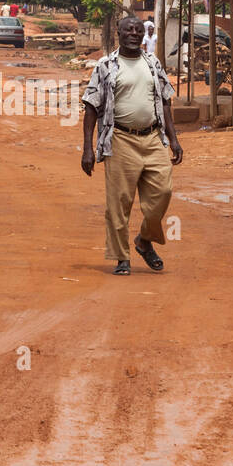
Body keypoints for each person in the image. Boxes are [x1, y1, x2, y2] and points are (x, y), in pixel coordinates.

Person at [81, 15, 184, 275]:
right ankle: (121, 258)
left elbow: (166, 101)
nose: (134, 34)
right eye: (129, 30)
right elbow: (92, 107)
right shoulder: (105, 65)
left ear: (143, 34)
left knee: (163, 191)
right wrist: (87, 149)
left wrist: (173, 139)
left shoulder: (152, 63)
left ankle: (144, 240)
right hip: (120, 139)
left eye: (139, 30)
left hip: (151, 138)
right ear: (119, 32)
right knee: (119, 202)